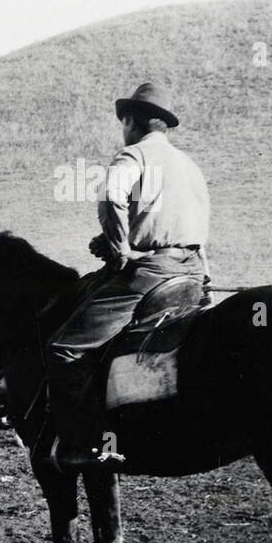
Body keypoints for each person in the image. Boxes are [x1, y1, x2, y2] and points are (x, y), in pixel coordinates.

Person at [45, 83, 210, 469]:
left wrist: (119, 248)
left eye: (124, 123)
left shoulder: (134, 154)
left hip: (152, 273)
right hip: (191, 273)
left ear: (131, 121)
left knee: (64, 348)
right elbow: (194, 229)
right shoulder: (189, 166)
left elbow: (109, 195)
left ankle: (80, 444)